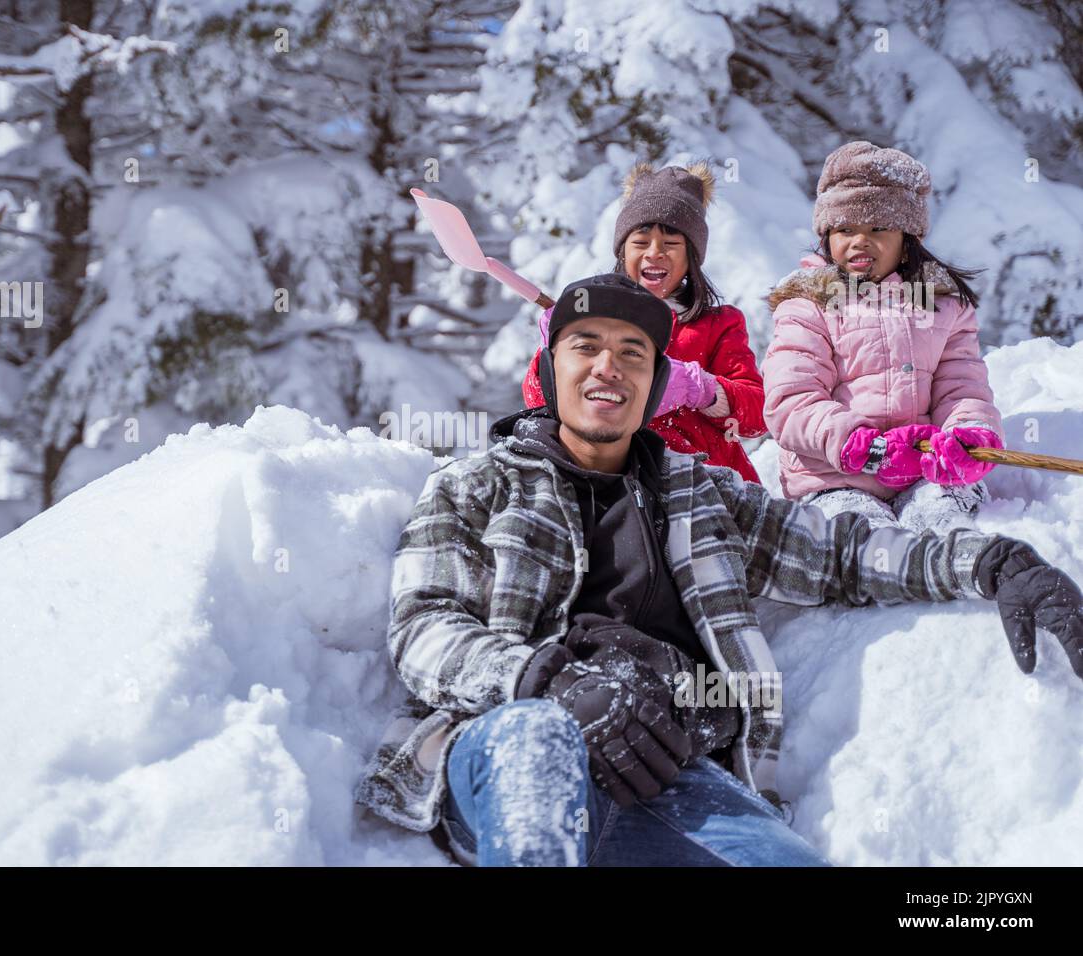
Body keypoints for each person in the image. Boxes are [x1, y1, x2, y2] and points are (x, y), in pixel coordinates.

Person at [353, 272, 1083, 867]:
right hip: (510, 748)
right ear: (550, 367)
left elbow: (838, 553)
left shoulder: (701, 493)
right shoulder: (475, 484)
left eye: (633, 354)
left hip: (666, 769)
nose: (609, 367)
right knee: (537, 742)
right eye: (586, 346)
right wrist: (552, 682)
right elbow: (424, 630)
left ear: (655, 381)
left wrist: (990, 560)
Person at [763, 140, 1004, 535]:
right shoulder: (808, 307)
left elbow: (961, 388)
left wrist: (968, 434)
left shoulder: (942, 307)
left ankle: (956, 570)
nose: (860, 240)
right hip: (835, 477)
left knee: (945, 521)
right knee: (863, 541)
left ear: (907, 240)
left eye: (878, 228)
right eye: (845, 229)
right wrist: (864, 447)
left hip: (924, 472)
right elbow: (791, 402)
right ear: (827, 236)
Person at [520, 161, 767, 482]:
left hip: (706, 480)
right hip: (612, 478)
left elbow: (758, 415)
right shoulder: (591, 319)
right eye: (640, 242)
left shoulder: (718, 324)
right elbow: (538, 404)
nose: (655, 253)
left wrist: (702, 389)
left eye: (671, 245)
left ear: (691, 258)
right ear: (623, 252)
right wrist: (554, 354)